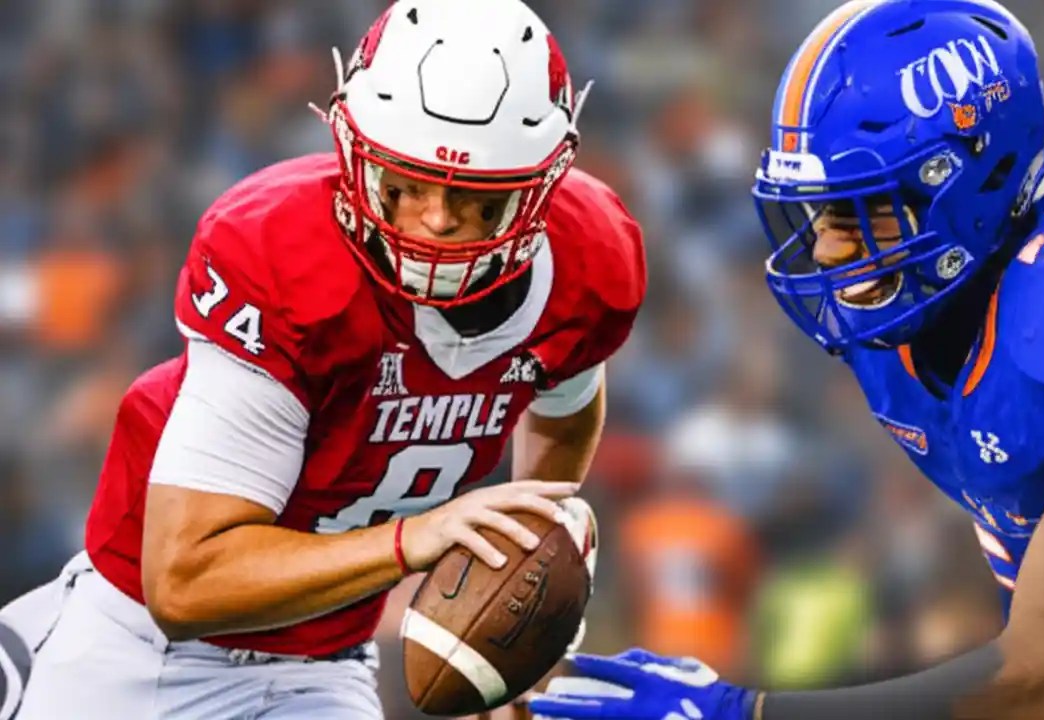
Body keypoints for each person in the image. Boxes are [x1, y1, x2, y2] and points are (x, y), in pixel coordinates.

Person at [530, 1, 1044, 718]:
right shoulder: (908, 334)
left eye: (863, 209)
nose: (828, 247)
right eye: (822, 212)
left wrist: (740, 713)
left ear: (969, 178)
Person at [0, 1, 645, 718]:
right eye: (404, 185)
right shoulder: (282, 255)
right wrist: (412, 541)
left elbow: (565, 406)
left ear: (538, 188)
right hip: (136, 652)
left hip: (323, 665)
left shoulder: (589, 260)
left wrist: (518, 584)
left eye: (472, 196)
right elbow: (184, 583)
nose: (433, 218)